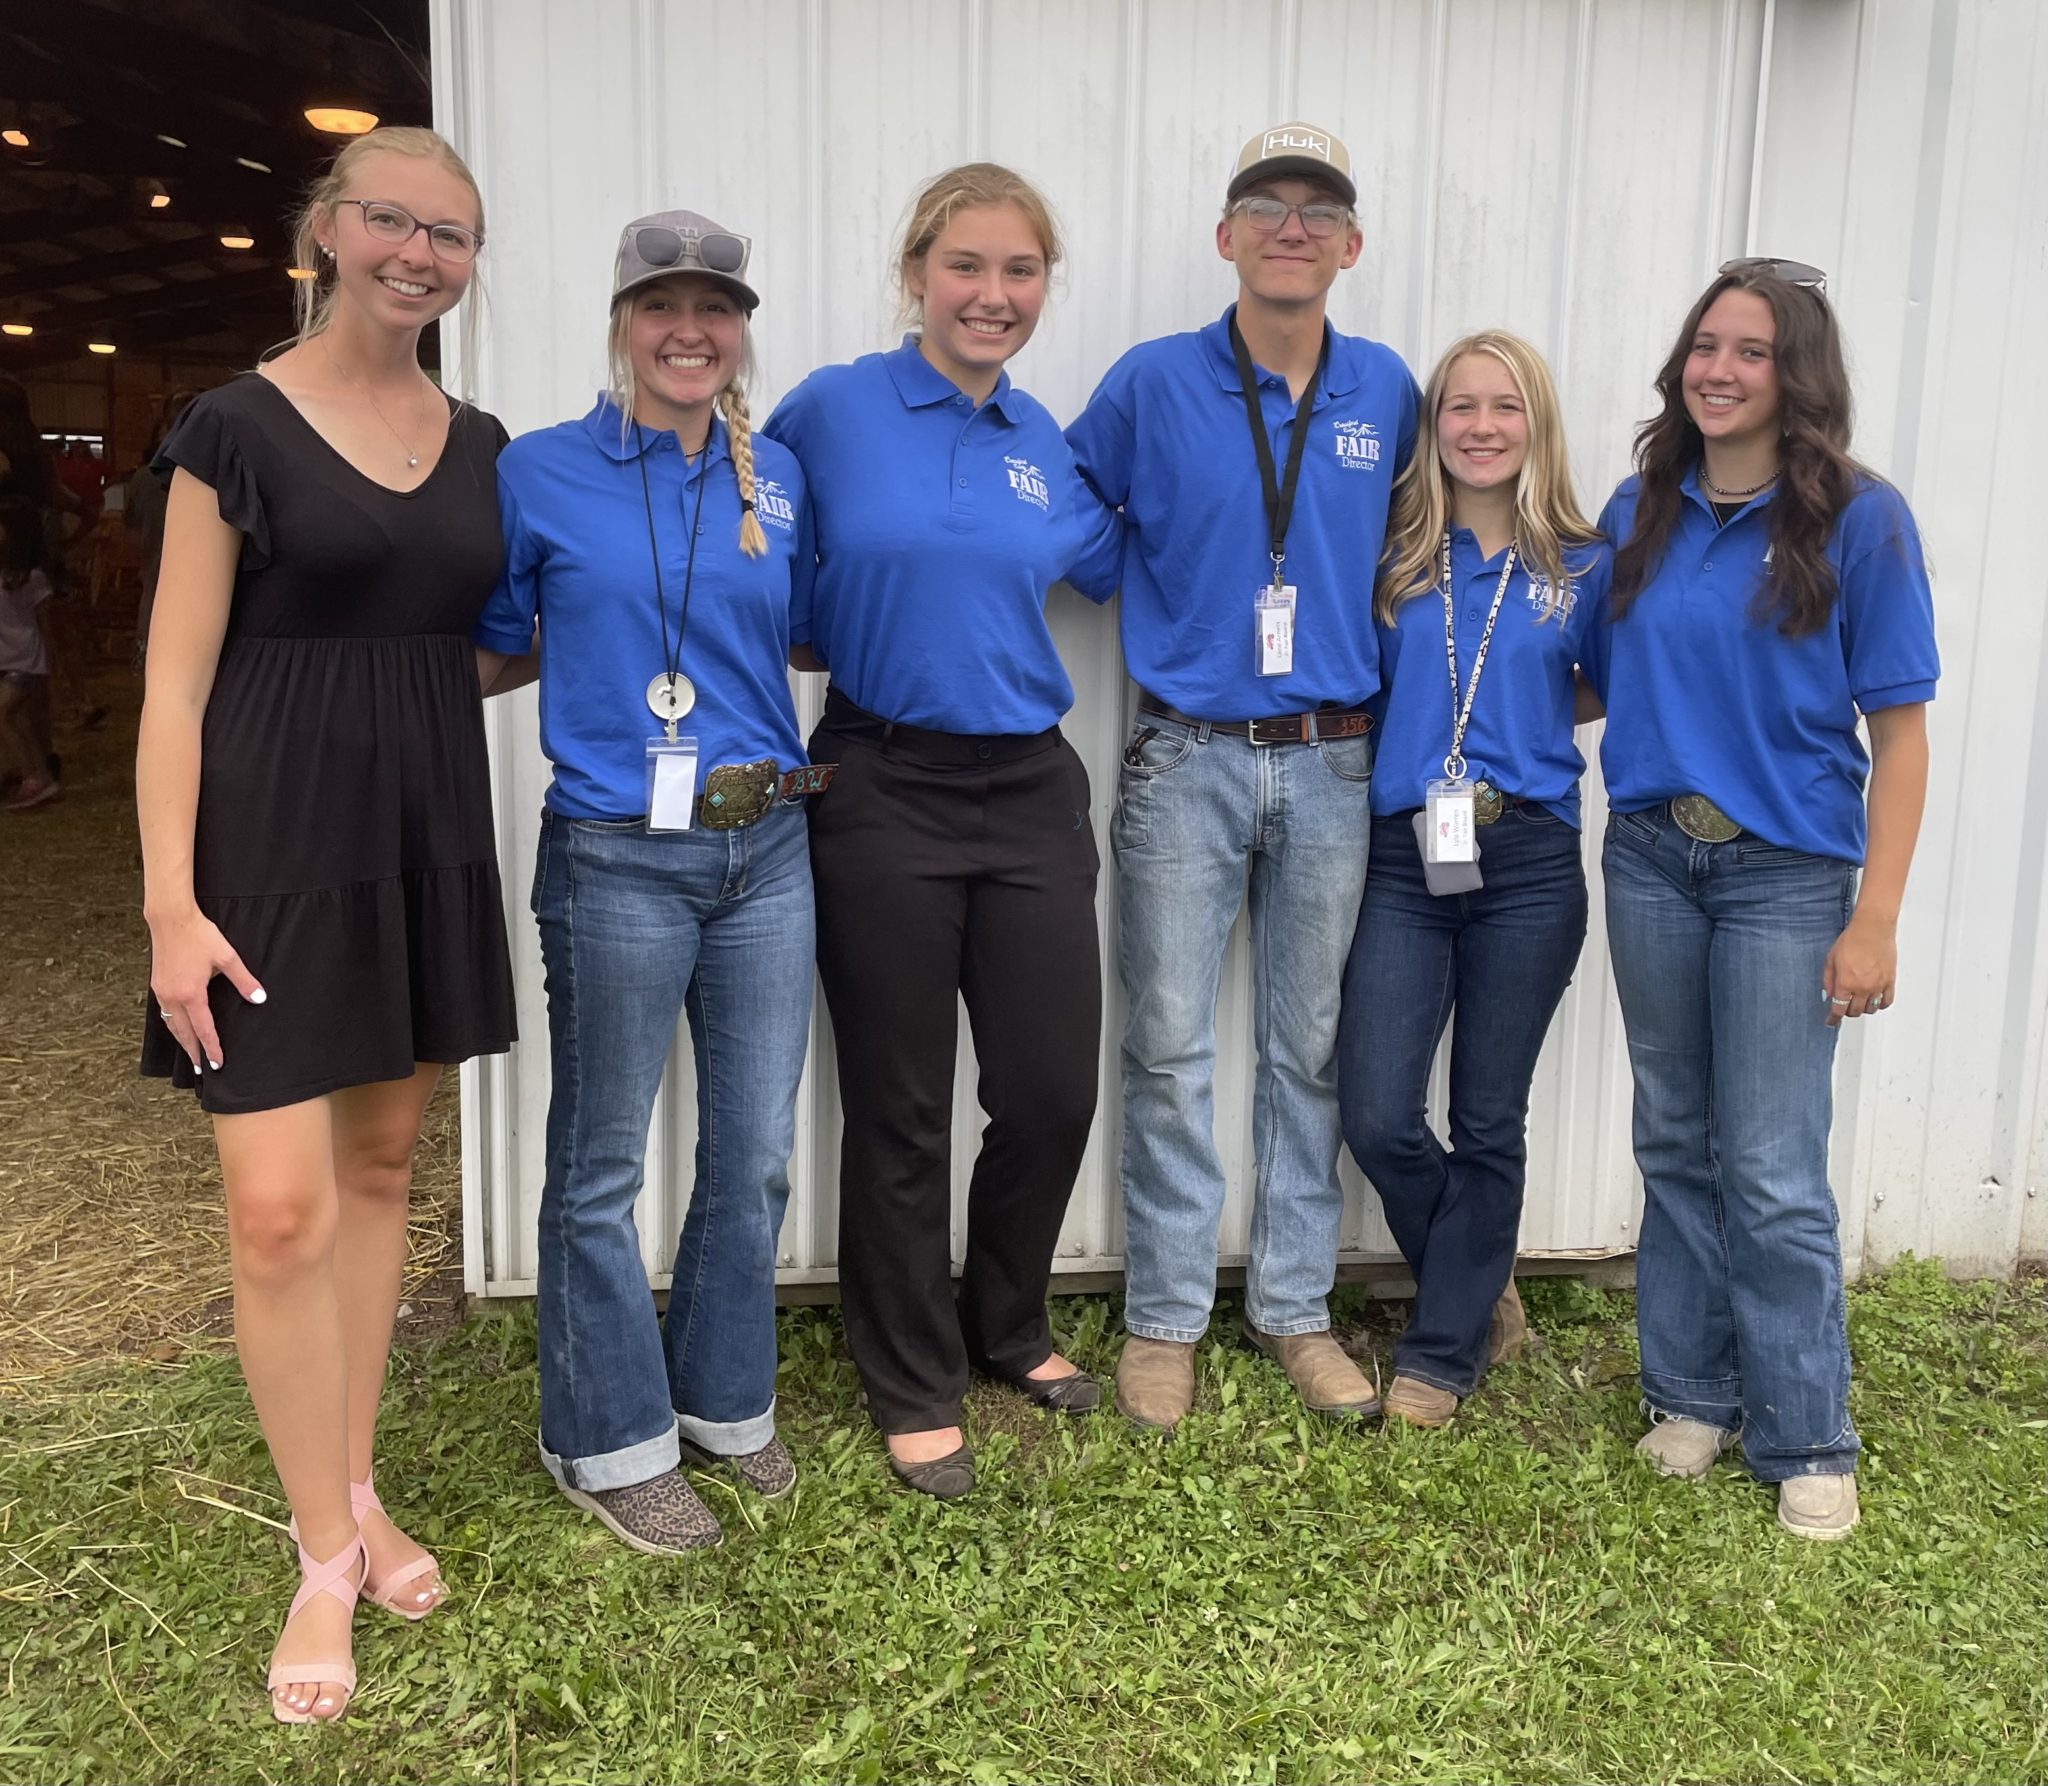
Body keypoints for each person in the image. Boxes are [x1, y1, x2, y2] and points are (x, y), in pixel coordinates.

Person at [136, 126, 515, 1721]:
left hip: (423, 837)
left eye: (450, 232)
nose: (417, 251)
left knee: (376, 1176)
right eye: (390, 219)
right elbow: (172, 680)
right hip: (271, 853)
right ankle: (313, 1552)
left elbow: (471, 645)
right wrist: (168, 903)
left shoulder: (484, 439)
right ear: (325, 227)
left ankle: (357, 1489)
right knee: (278, 1210)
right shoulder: (232, 427)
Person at [764, 163, 1122, 1499]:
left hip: (1029, 783)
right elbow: (767, 567)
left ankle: (1005, 1321)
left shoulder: (1045, 442)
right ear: (916, 271)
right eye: (966, 265)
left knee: (1049, 1088)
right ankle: (911, 1374)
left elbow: (1127, 558)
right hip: (879, 778)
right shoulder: (834, 409)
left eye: (1020, 270)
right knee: (901, 1104)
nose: (992, 293)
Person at [477, 210, 824, 1550]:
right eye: (660, 304)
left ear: (740, 327)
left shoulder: (777, 475)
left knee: (754, 1152)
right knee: (601, 1161)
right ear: (621, 323)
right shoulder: (542, 472)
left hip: (768, 850)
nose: (690, 328)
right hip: (617, 852)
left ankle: (725, 1402)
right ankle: (607, 1437)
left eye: (716, 306)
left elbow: (808, 629)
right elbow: (495, 641)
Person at [1066, 123, 1420, 1432]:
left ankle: (1294, 1306)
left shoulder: (1385, 390)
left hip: (1336, 758)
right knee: (1164, 1043)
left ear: (1349, 244)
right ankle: (1165, 1316)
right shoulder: (1153, 382)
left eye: (1318, 208)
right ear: (1225, 235)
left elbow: (1435, 540)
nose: (1290, 226)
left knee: (1305, 1046)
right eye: (1265, 205)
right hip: (1188, 755)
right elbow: (1065, 506)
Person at [1588, 258, 1938, 1539]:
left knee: (1774, 1166)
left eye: (1751, 351)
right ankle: (1691, 1393)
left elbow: (1897, 737)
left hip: (1785, 878)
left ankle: (1802, 1433)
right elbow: (1579, 677)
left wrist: (1875, 914)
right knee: (1673, 1139)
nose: (1720, 371)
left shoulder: (1858, 518)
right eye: (1705, 346)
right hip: (1646, 858)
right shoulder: (1642, 509)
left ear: (1798, 375)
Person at [1336, 331, 1607, 1426]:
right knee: (1376, 1110)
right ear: (1431, 423)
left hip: (1530, 859)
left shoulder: (1581, 564)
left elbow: (1601, 686)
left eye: (1504, 407)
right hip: (1407, 856)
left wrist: (1513, 736)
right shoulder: (1392, 553)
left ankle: (1441, 1351)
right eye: (1459, 406)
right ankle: (1476, 1271)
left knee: (1490, 1116)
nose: (1480, 427)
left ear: (1534, 424)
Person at [0, 496, 57, 809]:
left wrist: (51, 660)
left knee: (3, 713)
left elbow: (45, 622)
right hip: (10, 657)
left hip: (25, 659)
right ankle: (41, 775)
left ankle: (28, 778)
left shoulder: (31, 578)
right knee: (19, 720)